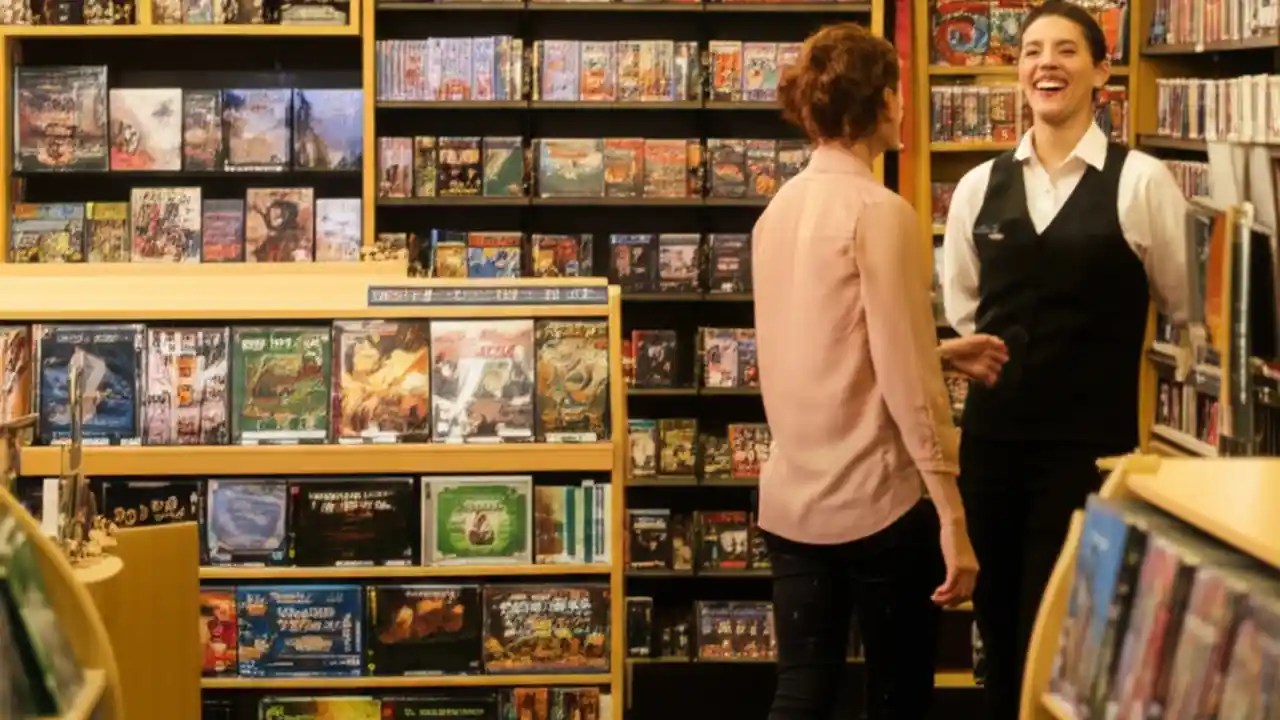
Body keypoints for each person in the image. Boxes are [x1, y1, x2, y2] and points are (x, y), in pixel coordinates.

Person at [752, 22, 1010, 720]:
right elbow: (906, 382)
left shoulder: (776, 213)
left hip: (792, 499)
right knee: (899, 696)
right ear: (885, 102)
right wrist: (952, 515)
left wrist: (944, 350)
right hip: (879, 504)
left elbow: (820, 346)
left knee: (801, 693)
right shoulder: (881, 212)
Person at [940, 3, 1190, 719]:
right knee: (999, 633)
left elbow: (1177, 306)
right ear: (1017, 71)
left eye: (1066, 52)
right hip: (992, 451)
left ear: (1101, 71)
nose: (1045, 63)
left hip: (1091, 452)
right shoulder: (979, 187)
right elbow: (963, 306)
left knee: (1069, 641)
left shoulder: (1142, 181)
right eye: (1031, 52)